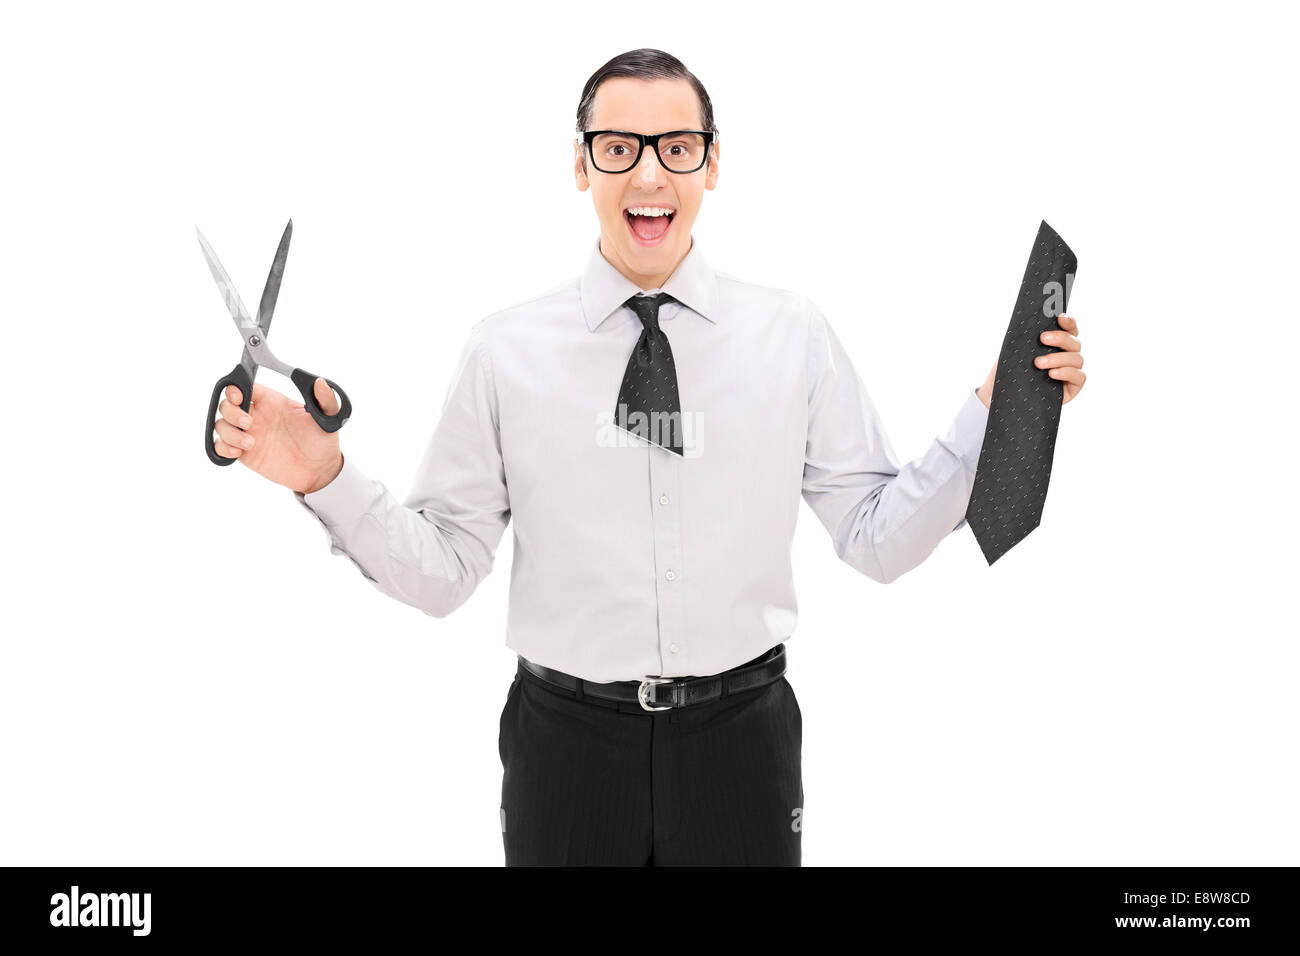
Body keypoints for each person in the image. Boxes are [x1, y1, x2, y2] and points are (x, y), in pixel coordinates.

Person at [209, 48, 1088, 866]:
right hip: (565, 747)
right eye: (619, 146)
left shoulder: (793, 335)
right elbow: (444, 573)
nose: (649, 173)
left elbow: (878, 539)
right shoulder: (503, 351)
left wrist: (997, 407)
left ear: (712, 163)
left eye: (676, 146)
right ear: (582, 164)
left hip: (743, 743)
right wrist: (322, 474)